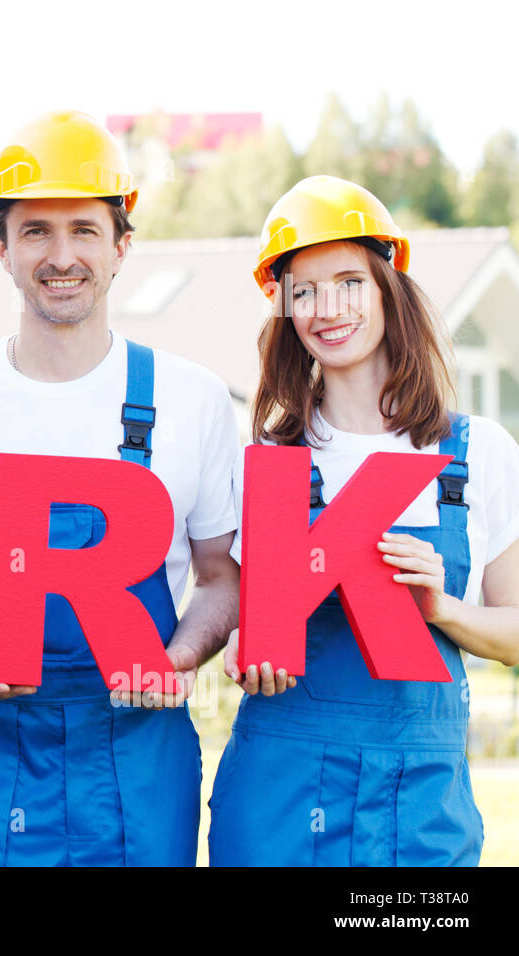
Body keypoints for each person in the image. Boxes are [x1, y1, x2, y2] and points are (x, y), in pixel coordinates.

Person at [0, 111, 241, 866]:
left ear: (122, 246)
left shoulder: (194, 399)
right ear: (0, 248)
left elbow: (220, 578)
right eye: (36, 231)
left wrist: (176, 659)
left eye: (84, 229)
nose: (61, 255)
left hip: (140, 759)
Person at [209, 175, 519, 866]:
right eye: (304, 291)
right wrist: (239, 643)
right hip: (277, 796)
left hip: (422, 802)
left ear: (388, 287)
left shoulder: (478, 455)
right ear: (284, 311)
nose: (327, 308)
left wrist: (444, 610)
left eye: (348, 280)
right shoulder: (260, 463)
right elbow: (229, 605)